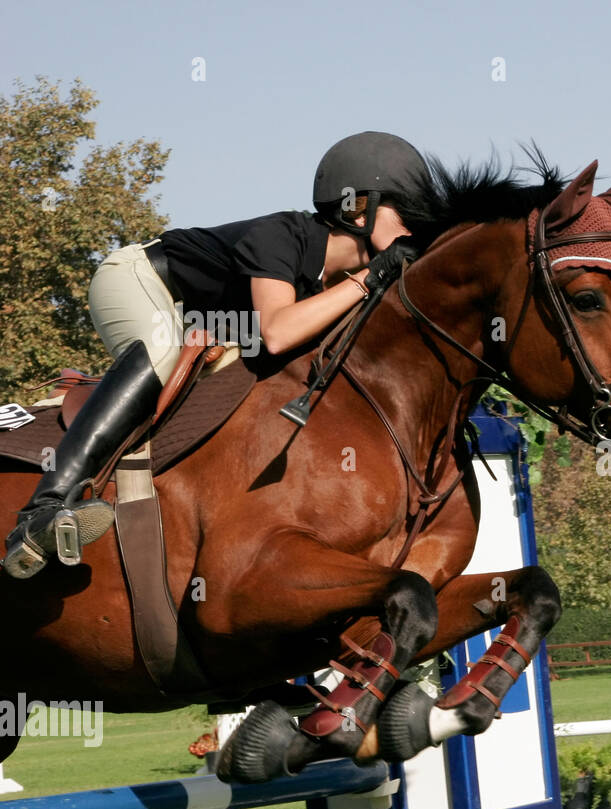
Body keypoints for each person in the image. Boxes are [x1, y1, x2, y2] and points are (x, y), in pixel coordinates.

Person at [3, 131, 435, 579]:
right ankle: (42, 510)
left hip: (205, 323)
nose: (417, 226)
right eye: (407, 211)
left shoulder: (339, 281)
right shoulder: (283, 236)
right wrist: (370, 276)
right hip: (141, 280)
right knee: (163, 347)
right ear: (357, 207)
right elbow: (278, 331)